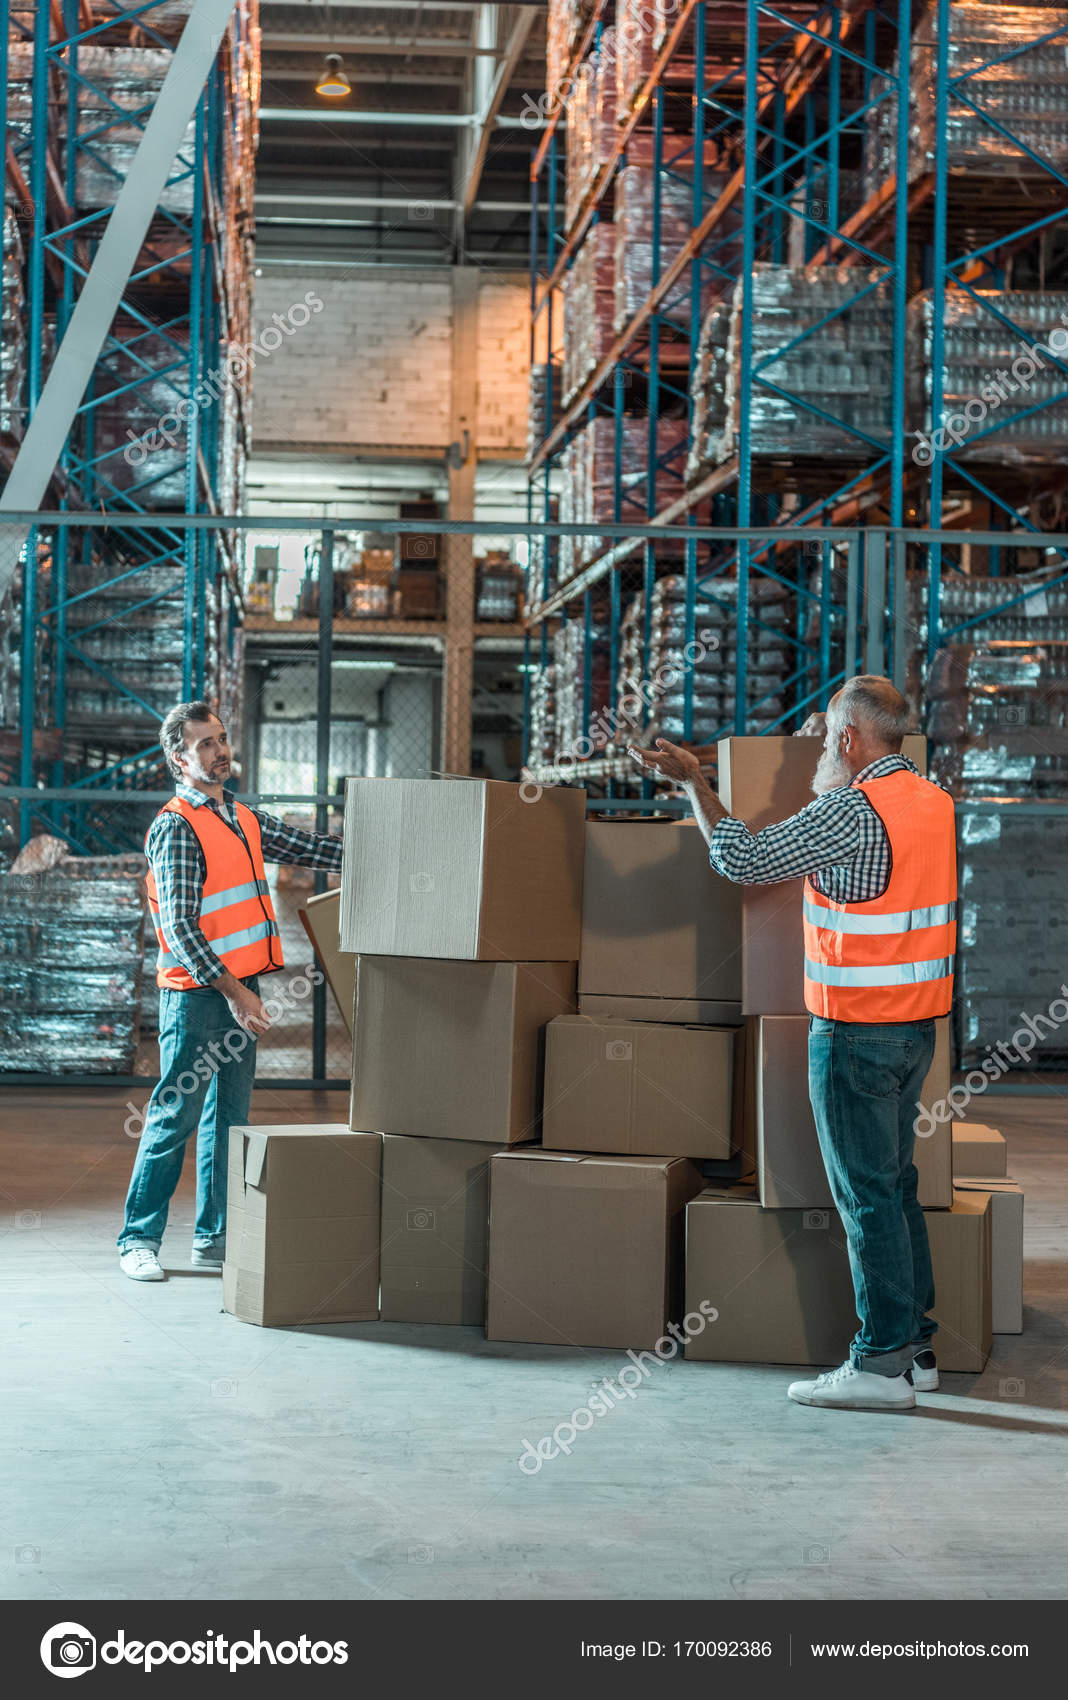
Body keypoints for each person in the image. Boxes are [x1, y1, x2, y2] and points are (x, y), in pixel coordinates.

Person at [630, 675, 957, 1412]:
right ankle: (917, 1350)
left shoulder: (851, 808)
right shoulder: (933, 803)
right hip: (914, 1031)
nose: (818, 749)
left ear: (848, 739)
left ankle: (879, 1366)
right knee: (894, 1187)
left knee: (865, 1196)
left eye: (824, 737)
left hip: (854, 1032)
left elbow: (740, 860)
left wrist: (695, 783)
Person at [117, 702, 343, 1282]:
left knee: (229, 1121)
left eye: (221, 739)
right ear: (179, 758)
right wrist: (238, 995)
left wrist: (384, 849)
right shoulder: (176, 826)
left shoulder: (241, 815)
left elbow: (309, 848)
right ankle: (137, 1240)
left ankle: (213, 1239)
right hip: (199, 996)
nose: (220, 751)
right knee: (175, 1116)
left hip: (243, 988)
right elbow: (180, 929)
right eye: (205, 745)